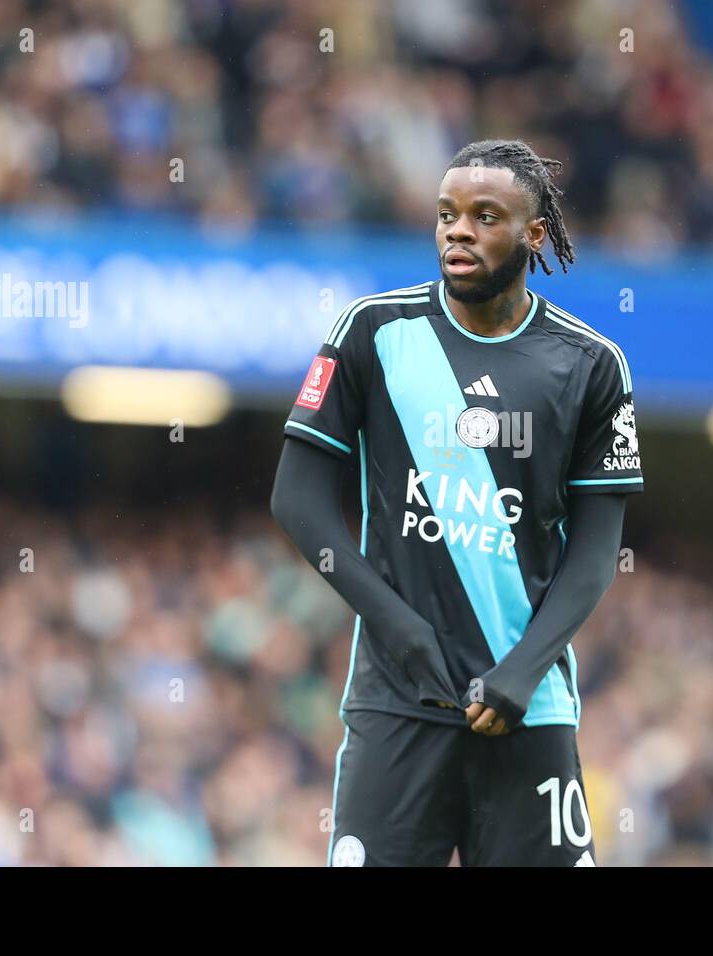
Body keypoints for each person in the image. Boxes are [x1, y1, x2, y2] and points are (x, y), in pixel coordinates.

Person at [271, 139, 643, 866]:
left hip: (528, 709)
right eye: (446, 214)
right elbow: (298, 500)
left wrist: (524, 671)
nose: (458, 230)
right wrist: (394, 622)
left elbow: (597, 555)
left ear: (534, 235)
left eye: (484, 215)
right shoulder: (375, 331)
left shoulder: (591, 365)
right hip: (395, 704)